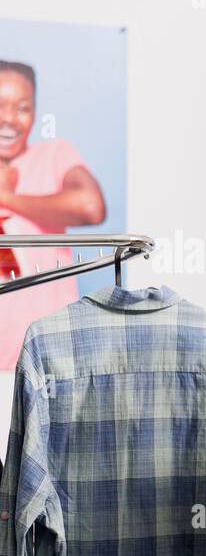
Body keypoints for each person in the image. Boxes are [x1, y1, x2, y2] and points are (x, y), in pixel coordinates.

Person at [0, 59, 107, 371]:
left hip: (46, 358)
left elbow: (90, 206)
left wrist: (7, 196)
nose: (10, 119)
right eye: (0, 105)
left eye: (22, 107)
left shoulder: (53, 155)